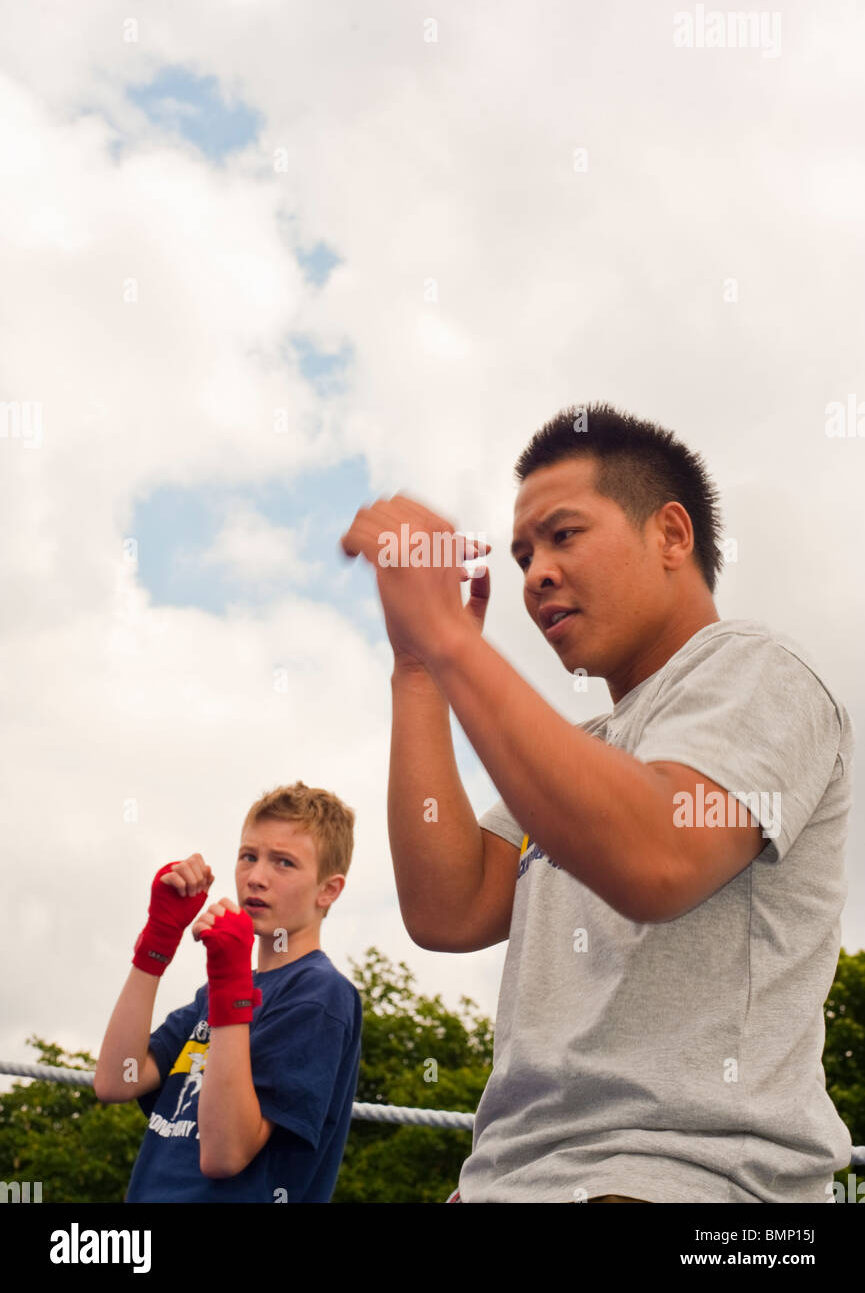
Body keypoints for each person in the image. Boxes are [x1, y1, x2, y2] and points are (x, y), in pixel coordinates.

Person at [340, 400, 853, 1203]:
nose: (535, 572)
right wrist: (418, 669)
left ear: (670, 536)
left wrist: (448, 636)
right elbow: (447, 908)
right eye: (519, 555)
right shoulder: (586, 754)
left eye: (563, 534)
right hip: (504, 1184)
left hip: (684, 1185)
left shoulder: (760, 670)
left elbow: (655, 858)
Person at [94, 781, 362, 1203]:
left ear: (328, 889)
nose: (256, 878)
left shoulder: (321, 994)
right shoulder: (214, 994)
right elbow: (115, 1080)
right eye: (248, 857)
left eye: (284, 863)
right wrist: (156, 944)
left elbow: (224, 1155)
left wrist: (230, 987)